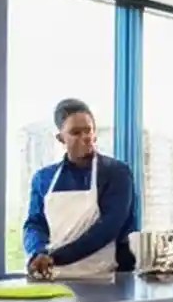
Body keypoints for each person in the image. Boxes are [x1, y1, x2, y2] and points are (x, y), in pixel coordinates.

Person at [24, 98, 138, 278]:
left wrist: (54, 257)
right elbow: (35, 224)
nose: (85, 137)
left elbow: (108, 227)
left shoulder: (116, 173)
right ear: (61, 138)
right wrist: (37, 253)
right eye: (75, 133)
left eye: (88, 130)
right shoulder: (43, 178)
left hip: (107, 279)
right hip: (54, 277)